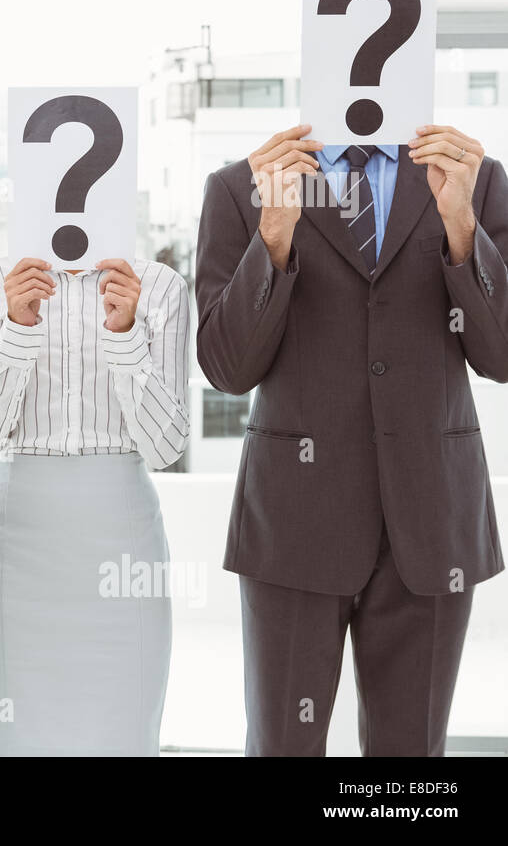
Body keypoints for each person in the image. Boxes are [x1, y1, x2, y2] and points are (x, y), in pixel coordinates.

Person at [195, 123, 508, 756]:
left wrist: (462, 228)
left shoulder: (476, 177)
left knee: (410, 762)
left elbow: (501, 354)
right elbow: (228, 369)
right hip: (294, 520)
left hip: (431, 518)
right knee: (284, 742)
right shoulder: (241, 186)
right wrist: (273, 235)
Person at [0, 252, 190, 755]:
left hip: (121, 540)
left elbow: (167, 446)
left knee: (121, 733)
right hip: (17, 543)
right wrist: (17, 328)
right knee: (11, 734)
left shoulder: (159, 286)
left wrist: (126, 336)